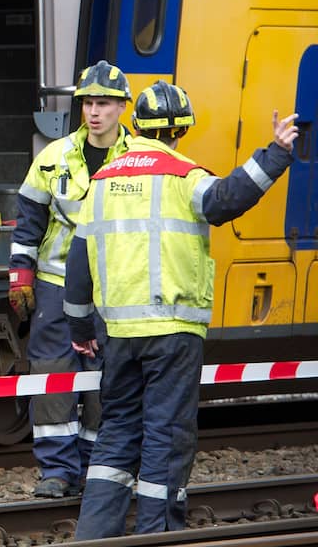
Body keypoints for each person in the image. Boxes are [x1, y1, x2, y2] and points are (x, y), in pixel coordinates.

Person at [64, 81, 299, 538]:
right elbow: (229, 198)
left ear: (136, 125)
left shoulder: (102, 182)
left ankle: (94, 534)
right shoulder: (184, 176)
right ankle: (158, 534)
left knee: (116, 432)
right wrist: (276, 153)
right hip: (172, 332)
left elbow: (78, 260)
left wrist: (78, 324)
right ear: (183, 128)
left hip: (118, 334)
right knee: (166, 434)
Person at [9, 60, 131, 498]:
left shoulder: (137, 159)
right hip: (56, 284)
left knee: (108, 378)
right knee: (54, 374)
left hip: (114, 289)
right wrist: (20, 274)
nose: (94, 112)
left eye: (104, 104)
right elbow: (28, 222)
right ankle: (57, 473)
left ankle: (94, 469)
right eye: (88, 103)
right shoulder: (53, 157)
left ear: (121, 107)